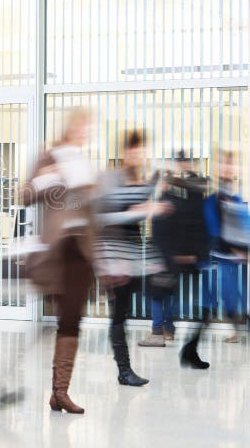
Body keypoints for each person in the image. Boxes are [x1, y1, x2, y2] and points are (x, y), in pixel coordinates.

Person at [21, 107, 96, 414]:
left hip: (81, 251)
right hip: (57, 252)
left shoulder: (85, 164)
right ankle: (57, 391)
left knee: (71, 319)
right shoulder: (49, 157)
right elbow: (24, 195)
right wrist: (46, 178)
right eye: (80, 126)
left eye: (87, 127)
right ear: (68, 127)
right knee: (64, 317)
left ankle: (60, 392)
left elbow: (90, 209)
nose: (83, 132)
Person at [180, 150, 250, 371]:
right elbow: (216, 233)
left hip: (226, 263)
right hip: (218, 264)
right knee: (234, 308)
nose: (229, 168)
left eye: (231, 165)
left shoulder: (232, 198)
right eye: (225, 164)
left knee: (212, 309)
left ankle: (189, 351)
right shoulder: (213, 200)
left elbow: (246, 223)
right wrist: (242, 251)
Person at [93, 129, 170, 387]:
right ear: (126, 152)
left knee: (127, 309)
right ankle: (124, 370)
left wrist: (154, 188)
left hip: (131, 256)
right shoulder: (110, 178)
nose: (140, 156)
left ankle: (125, 368)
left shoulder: (135, 179)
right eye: (136, 150)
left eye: (143, 151)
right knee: (119, 314)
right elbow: (103, 217)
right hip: (114, 257)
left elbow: (137, 201)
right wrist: (142, 210)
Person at [139, 151, 210, 347]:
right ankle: (168, 329)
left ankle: (158, 332)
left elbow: (171, 218)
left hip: (169, 249)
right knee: (166, 290)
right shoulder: (179, 190)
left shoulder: (186, 190)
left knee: (158, 291)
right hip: (171, 249)